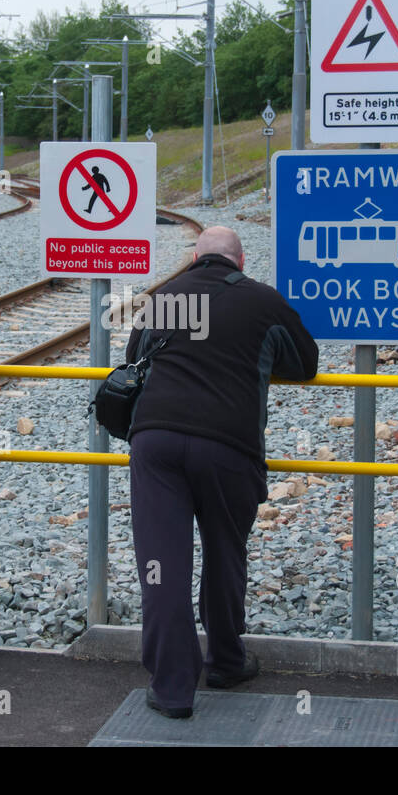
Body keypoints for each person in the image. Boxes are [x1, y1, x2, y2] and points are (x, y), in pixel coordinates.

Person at [125, 226, 319, 718]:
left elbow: (133, 359)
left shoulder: (164, 296)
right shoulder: (263, 301)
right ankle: (227, 660)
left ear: (194, 257)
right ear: (241, 260)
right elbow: (307, 364)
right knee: (224, 551)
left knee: (162, 567)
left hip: (157, 439)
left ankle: (172, 690)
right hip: (228, 446)